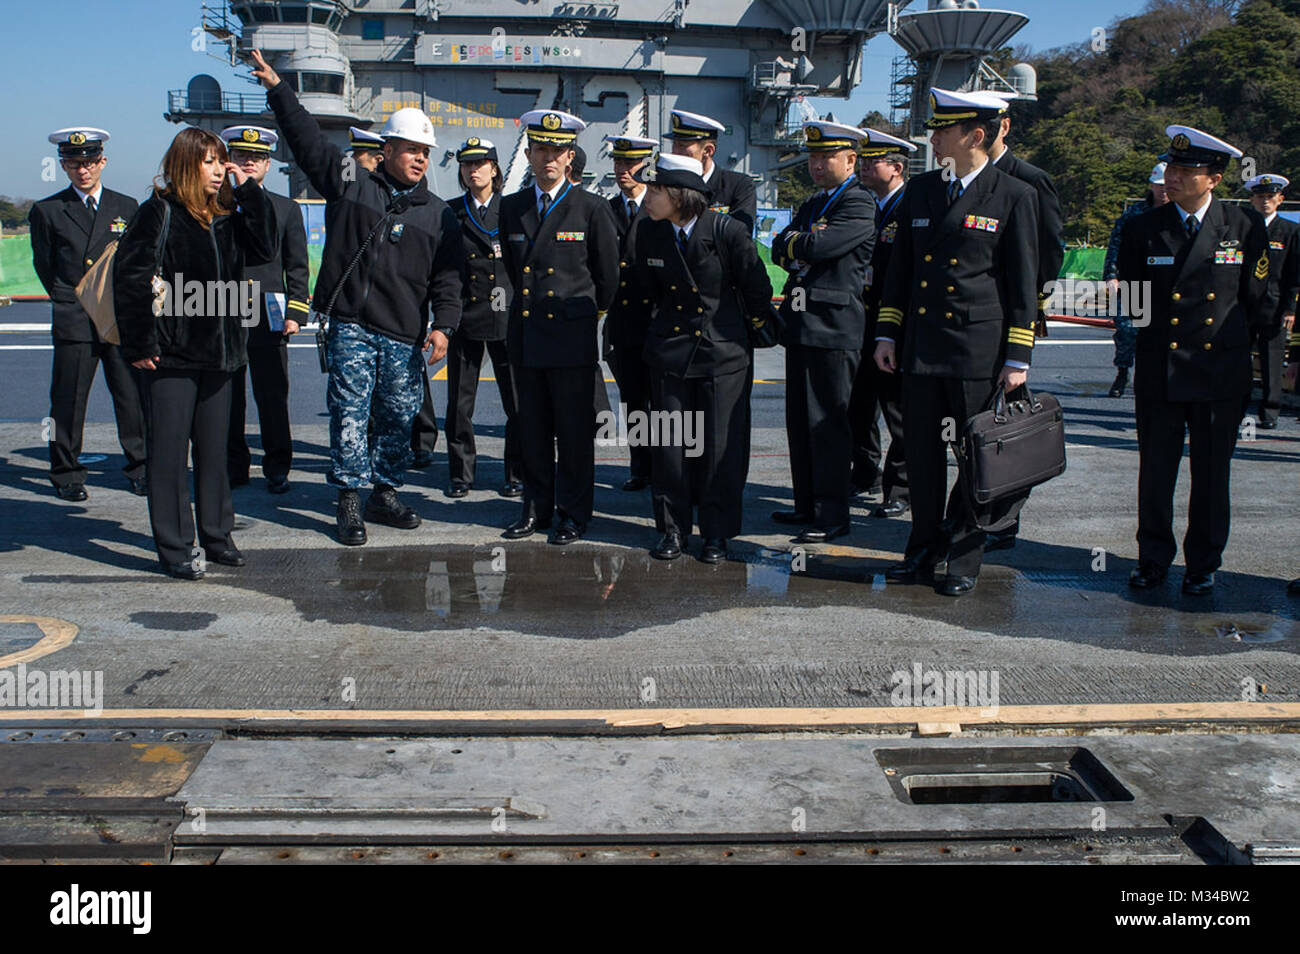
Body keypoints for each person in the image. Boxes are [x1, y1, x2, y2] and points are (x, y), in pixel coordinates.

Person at [251, 49, 463, 546]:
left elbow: (449, 281)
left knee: (398, 414)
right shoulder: (352, 185)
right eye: (410, 149)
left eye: (425, 152)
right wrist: (279, 90)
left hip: (404, 333)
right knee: (349, 411)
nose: (419, 159)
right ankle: (348, 497)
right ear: (387, 149)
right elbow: (307, 142)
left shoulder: (438, 214)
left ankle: (384, 492)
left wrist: (443, 326)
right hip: (351, 324)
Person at [874, 88, 1039, 597]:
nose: (934, 137)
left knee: (976, 458)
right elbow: (898, 270)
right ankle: (922, 549)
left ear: (976, 136)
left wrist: (1017, 356)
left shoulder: (1013, 195)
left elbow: (1023, 283)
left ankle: (964, 555)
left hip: (978, 352)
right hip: (922, 348)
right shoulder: (921, 191)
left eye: (944, 130)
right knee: (920, 456)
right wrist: (887, 331)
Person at [114, 127, 277, 579]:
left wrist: (247, 189)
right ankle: (174, 545)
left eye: (221, 160)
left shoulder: (227, 212)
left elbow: (265, 248)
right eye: (209, 161)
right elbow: (130, 279)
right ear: (187, 164)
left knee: (215, 452)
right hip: (172, 355)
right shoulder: (159, 212)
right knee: (167, 455)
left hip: (222, 354)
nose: (219, 169)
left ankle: (217, 535)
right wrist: (142, 342)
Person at [1120, 126, 1274, 595]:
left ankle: (1203, 562)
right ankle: (1152, 559)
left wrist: (1240, 353)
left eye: (1187, 170)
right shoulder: (1143, 227)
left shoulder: (1243, 226)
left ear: (1215, 179)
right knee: (1156, 471)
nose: (1173, 177)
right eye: (1171, 168)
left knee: (1210, 473)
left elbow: (1257, 300)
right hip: (1160, 369)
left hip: (1217, 371)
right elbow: (1133, 299)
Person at [636, 153, 776, 563]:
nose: (648, 196)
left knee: (720, 449)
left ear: (681, 195)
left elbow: (757, 289)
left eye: (657, 189)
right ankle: (672, 529)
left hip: (722, 354)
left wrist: (740, 334)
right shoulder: (650, 232)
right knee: (668, 444)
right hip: (669, 354)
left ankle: (716, 534)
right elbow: (648, 290)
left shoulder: (728, 232)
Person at [498, 109, 619, 544]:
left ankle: (573, 514)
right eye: (541, 149)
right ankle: (535, 509)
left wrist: (581, 315)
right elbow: (515, 270)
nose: (549, 158)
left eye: (558, 151)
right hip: (528, 338)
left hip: (570, 339)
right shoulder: (511, 207)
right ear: (528, 153)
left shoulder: (592, 209)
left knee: (572, 435)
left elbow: (608, 280)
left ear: (571, 157)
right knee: (531, 430)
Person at [771, 121, 876, 544]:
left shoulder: (858, 203)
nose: (816, 164)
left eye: (826, 156)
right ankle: (806, 505)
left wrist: (800, 244)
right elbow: (780, 246)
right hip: (801, 325)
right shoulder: (814, 203)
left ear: (851, 160)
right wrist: (800, 243)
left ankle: (832, 514)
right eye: (813, 157)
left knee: (828, 425)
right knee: (799, 421)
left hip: (833, 328)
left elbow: (817, 248)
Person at [29, 127, 147, 502]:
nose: (83, 170)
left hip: (117, 315)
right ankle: (66, 472)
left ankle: (141, 466)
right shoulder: (47, 211)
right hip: (75, 316)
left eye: (90, 162)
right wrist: (69, 299)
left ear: (103, 162)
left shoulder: (126, 207)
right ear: (63, 165)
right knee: (67, 398)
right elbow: (45, 266)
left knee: (130, 396)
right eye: (74, 163)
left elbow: (136, 262)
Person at [980, 92, 1066, 552]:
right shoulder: (957, 181)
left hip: (1011, 320)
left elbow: (1049, 252)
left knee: (1007, 426)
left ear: (1003, 128)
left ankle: (1002, 520)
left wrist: (1026, 316)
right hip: (968, 327)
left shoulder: (1029, 180)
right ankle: (977, 513)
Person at [219, 126, 310, 495]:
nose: (249, 162)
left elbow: (297, 265)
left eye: (256, 158)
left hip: (267, 313)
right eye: (241, 156)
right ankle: (233, 465)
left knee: (272, 396)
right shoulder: (217, 204)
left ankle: (277, 466)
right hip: (222, 309)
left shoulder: (285, 208)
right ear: (230, 161)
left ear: (269, 165)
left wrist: (296, 312)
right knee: (228, 398)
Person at [444, 136, 523, 499]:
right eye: (467, 164)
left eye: (480, 163)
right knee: (460, 404)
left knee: (517, 403)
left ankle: (516, 474)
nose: (473, 170)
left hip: (506, 317)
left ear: (494, 168)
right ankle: (461, 475)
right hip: (467, 316)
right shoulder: (450, 214)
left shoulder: (512, 212)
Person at [850, 128, 916, 518]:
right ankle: (864, 473)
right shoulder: (867, 205)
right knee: (858, 407)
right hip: (863, 319)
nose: (864, 166)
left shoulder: (908, 206)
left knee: (898, 412)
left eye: (873, 160)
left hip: (895, 325)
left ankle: (900, 490)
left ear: (895, 167)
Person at [603, 134, 658, 492]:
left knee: (664, 400)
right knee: (633, 399)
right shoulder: (604, 210)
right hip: (622, 321)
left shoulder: (659, 207)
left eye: (631, 163)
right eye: (619, 163)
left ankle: (668, 465)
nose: (623, 170)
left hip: (656, 319)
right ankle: (641, 466)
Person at [1104, 162, 1169, 398]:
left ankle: (1158, 379)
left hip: (1168, 282)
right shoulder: (1134, 214)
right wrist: (1112, 275)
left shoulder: (1180, 214)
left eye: (1166, 186)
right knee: (1127, 329)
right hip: (1135, 280)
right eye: (1158, 186)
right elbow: (1116, 245)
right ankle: (1122, 372)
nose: (1163, 191)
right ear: (1151, 186)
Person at [1243, 174, 1298, 429]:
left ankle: (1270, 412)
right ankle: (1237, 406)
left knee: (1271, 359)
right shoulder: (1243, 227)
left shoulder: (1290, 231)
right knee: (1239, 358)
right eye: (1260, 197)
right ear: (1252, 200)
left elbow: (1295, 274)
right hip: (1242, 305)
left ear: (1280, 200)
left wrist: (1290, 308)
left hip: (1274, 305)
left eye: (1270, 197)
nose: (1265, 202)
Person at [665, 109, 757, 233]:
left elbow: (739, 236)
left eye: (682, 146)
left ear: (708, 151)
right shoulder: (667, 187)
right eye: (674, 145)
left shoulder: (738, 186)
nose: (675, 152)